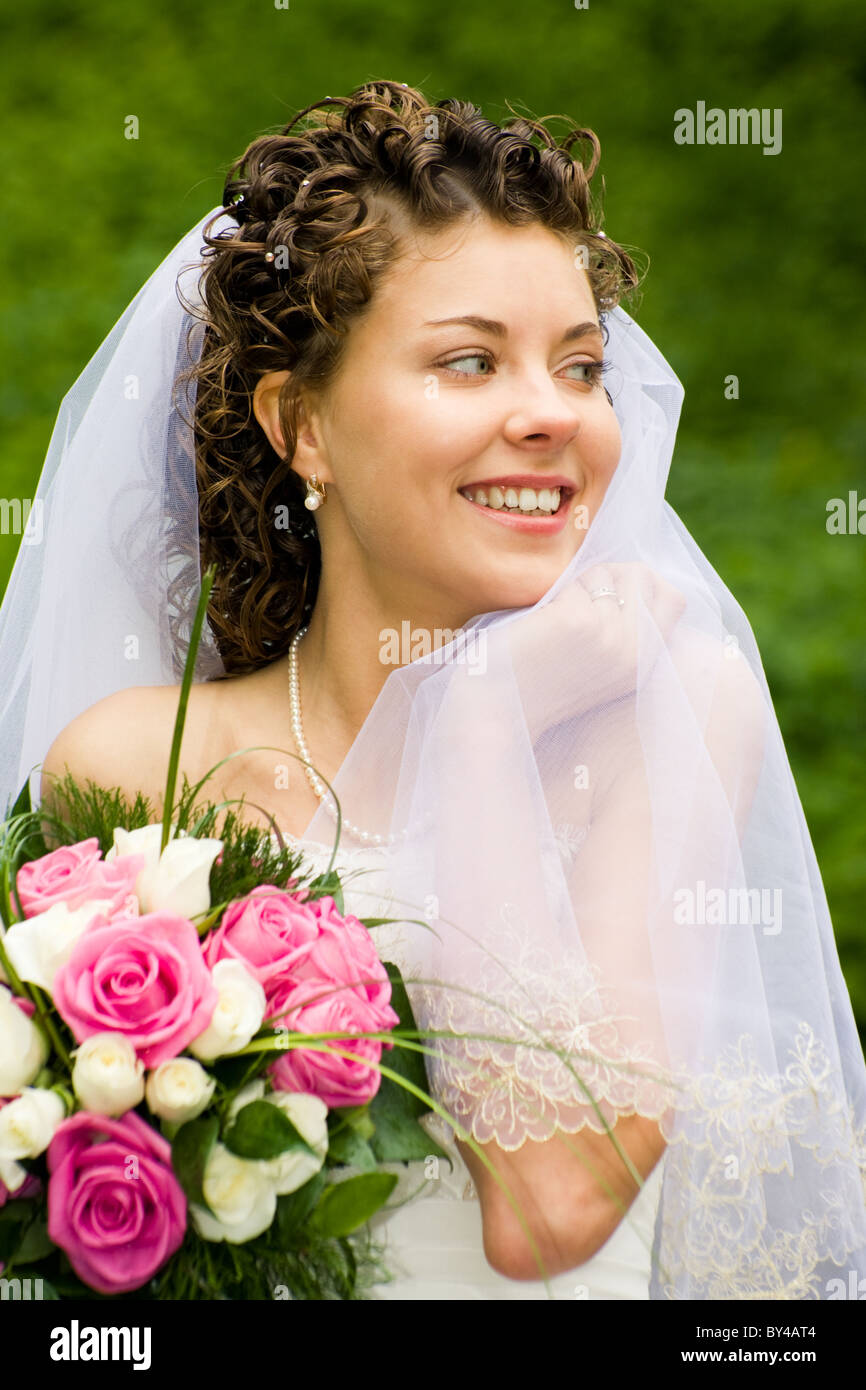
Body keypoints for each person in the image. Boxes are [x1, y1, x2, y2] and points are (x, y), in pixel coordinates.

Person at [2, 79, 865, 1300]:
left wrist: (476, 715)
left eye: (579, 367)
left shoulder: (672, 720)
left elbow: (549, 1208)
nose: (549, 415)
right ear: (301, 424)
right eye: (470, 361)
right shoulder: (130, 767)